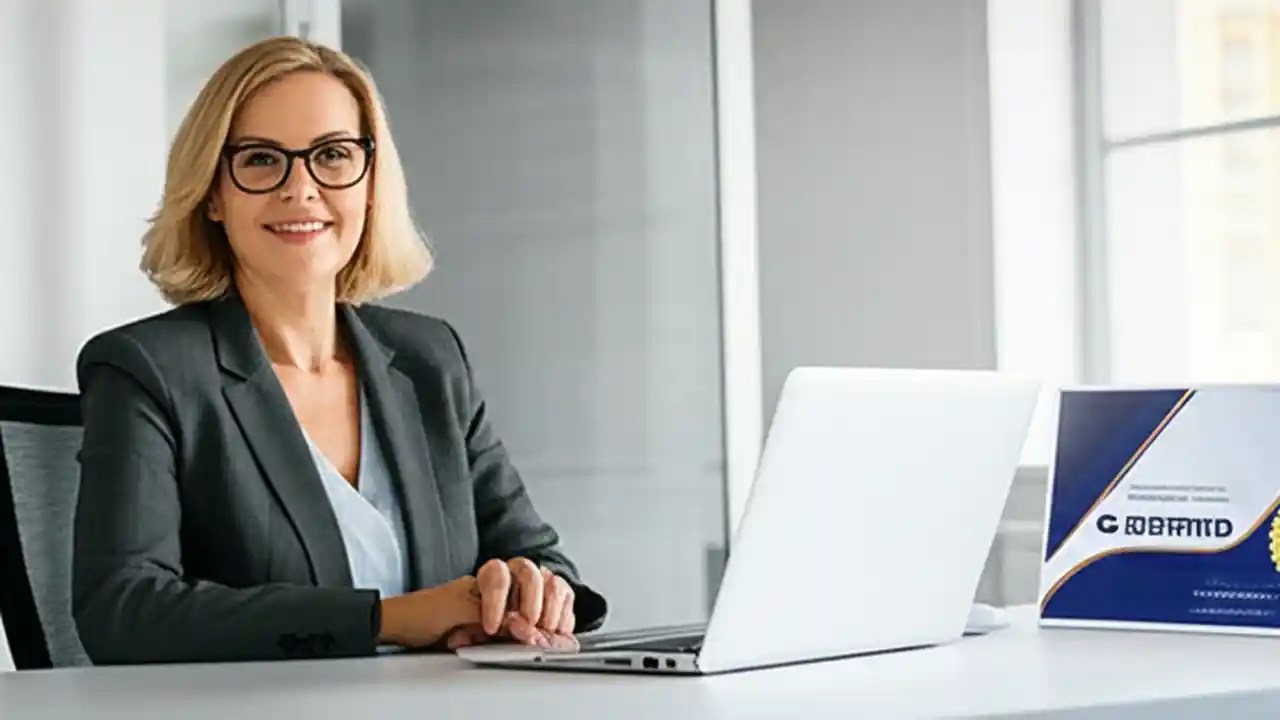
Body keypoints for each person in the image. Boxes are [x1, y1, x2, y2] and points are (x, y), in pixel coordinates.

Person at [71, 35, 606, 665]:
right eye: (262, 160)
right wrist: (394, 619)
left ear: (371, 183)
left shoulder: (430, 359)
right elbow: (125, 610)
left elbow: (540, 556)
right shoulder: (147, 371)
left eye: (332, 155)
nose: (301, 189)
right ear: (212, 194)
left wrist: (527, 594)